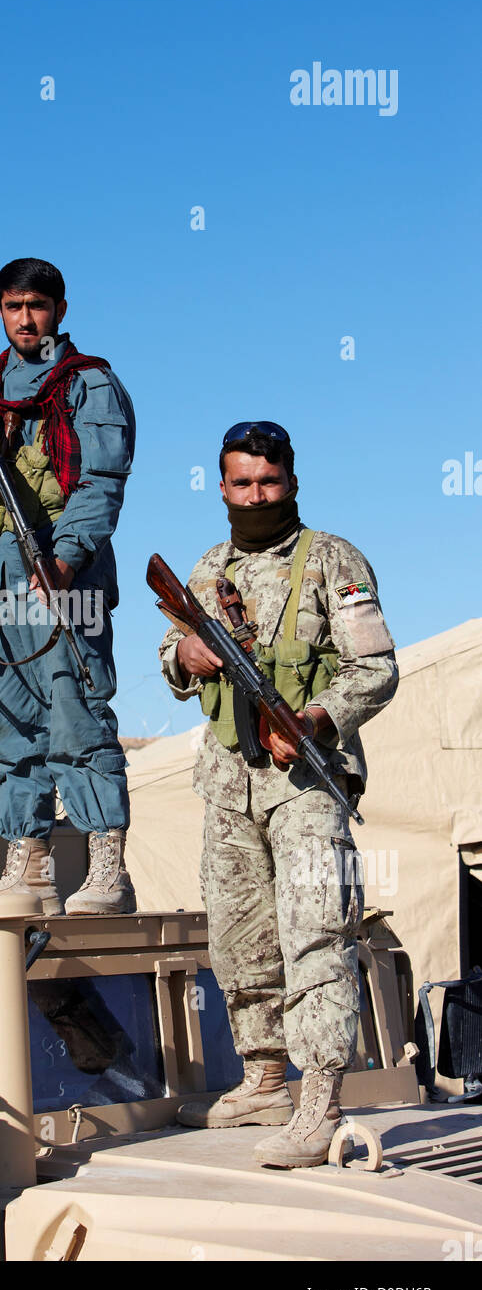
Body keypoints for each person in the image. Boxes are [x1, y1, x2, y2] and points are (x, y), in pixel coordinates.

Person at [158, 422, 398, 1167]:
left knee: (318, 933)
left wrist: (319, 721)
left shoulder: (332, 560)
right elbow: (170, 654)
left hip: (305, 785)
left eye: (269, 482)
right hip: (229, 783)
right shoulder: (206, 569)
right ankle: (263, 1077)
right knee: (238, 938)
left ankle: (321, 1097)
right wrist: (185, 655)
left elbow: (376, 669)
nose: (256, 496)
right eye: (242, 484)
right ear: (221, 487)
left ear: (291, 481)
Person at [0, 258, 136, 915]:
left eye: (39, 305)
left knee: (75, 713)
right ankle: (30, 863)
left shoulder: (90, 385)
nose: (26, 318)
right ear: (0, 309)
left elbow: (101, 483)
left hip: (60, 574)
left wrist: (66, 558)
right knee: (4, 725)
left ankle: (107, 864)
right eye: (14, 305)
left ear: (61, 309)